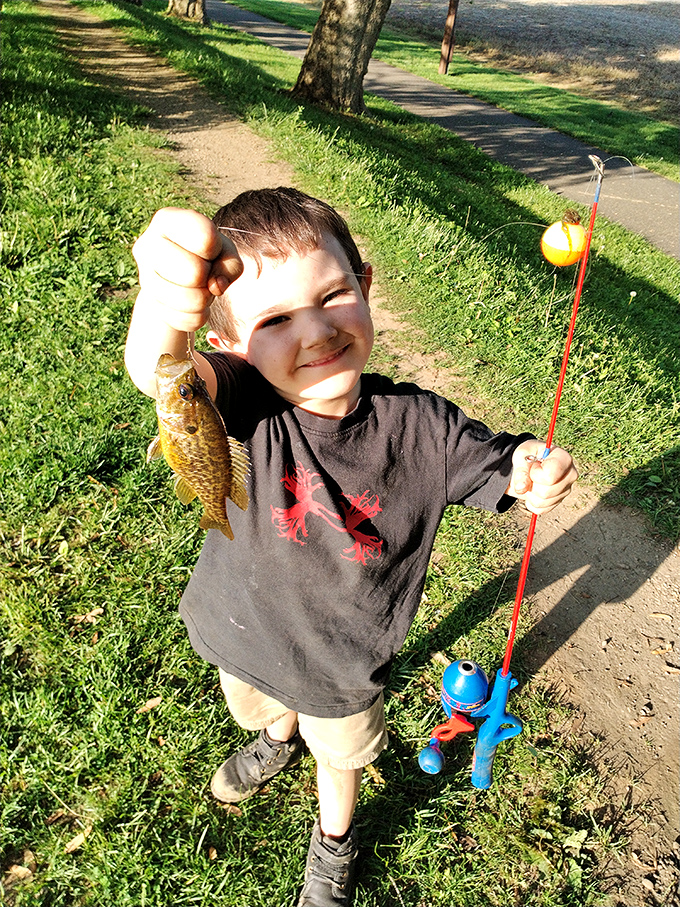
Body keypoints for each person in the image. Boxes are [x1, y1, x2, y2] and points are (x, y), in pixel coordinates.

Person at [125, 187, 577, 906]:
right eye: (274, 318)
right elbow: (164, 375)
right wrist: (160, 307)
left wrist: (529, 466)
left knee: (339, 761)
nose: (315, 332)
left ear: (364, 285)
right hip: (246, 624)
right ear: (231, 346)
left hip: (343, 655)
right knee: (263, 700)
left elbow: (495, 460)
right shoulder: (244, 397)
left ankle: (334, 843)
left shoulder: (421, 424)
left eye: (334, 295)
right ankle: (277, 736)